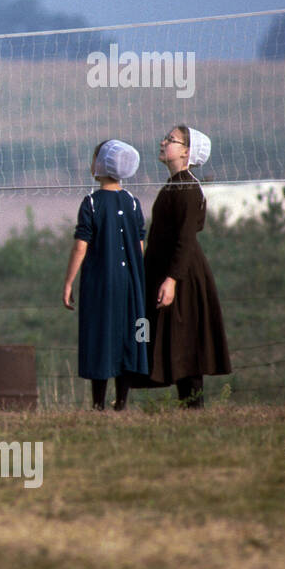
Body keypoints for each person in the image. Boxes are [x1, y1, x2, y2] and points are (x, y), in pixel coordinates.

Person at [137, 126, 231, 407]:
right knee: (179, 341)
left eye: (171, 140)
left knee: (187, 343)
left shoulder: (187, 187)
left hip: (184, 276)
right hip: (170, 272)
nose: (163, 142)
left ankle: (194, 407)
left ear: (186, 151)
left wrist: (172, 279)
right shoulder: (175, 184)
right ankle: (188, 405)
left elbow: (186, 238)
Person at [61, 140, 148, 411]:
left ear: (100, 164)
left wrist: (68, 282)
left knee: (99, 336)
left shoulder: (90, 202)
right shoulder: (134, 203)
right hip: (131, 283)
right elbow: (140, 246)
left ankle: (98, 403)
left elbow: (80, 246)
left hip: (100, 283)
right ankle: (121, 401)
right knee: (129, 337)